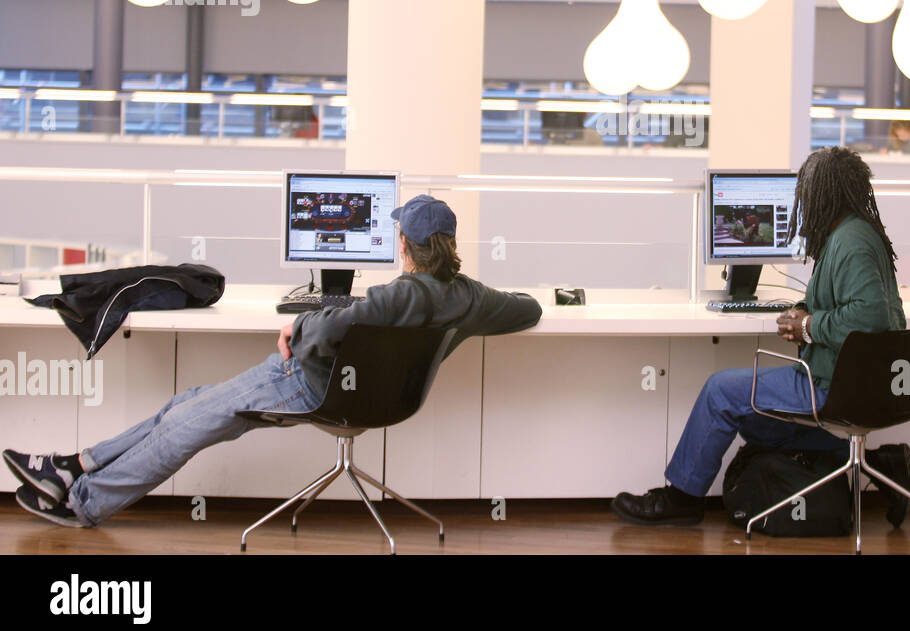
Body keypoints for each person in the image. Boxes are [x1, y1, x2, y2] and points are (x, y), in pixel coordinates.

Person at [4, 195, 542, 527]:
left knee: (189, 425)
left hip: (309, 386)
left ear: (406, 246)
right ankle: (77, 465)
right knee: (186, 405)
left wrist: (297, 327)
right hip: (378, 398)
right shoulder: (470, 298)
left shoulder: (398, 295)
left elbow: (330, 326)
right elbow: (528, 309)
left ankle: (83, 505)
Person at [612, 146, 910, 528]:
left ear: (823, 193)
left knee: (722, 392)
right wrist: (806, 311)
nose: (803, 202)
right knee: (754, 421)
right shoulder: (858, 233)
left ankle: (682, 498)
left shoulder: (850, 242)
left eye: (807, 192)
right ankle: (879, 463)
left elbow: (870, 318)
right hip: (865, 385)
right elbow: (879, 311)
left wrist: (808, 326)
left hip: (835, 386)